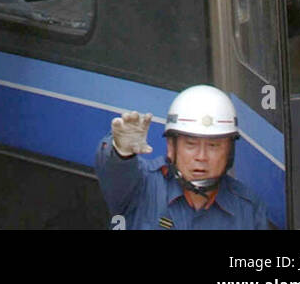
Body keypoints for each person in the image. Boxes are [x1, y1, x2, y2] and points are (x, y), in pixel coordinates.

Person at [95, 85, 269, 230]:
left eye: (213, 146)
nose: (201, 157)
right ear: (171, 147)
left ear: (229, 151)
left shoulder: (248, 208)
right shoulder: (141, 185)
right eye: (191, 144)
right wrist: (121, 151)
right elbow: (115, 171)